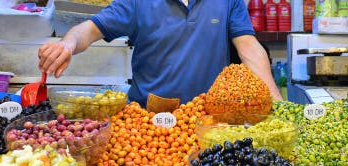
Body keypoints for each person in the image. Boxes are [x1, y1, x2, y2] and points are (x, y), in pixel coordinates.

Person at [38, 0, 283, 107]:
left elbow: (248, 46)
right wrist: (67, 44)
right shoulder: (136, 2)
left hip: (207, 118)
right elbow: (89, 30)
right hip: (149, 121)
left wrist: (276, 101)